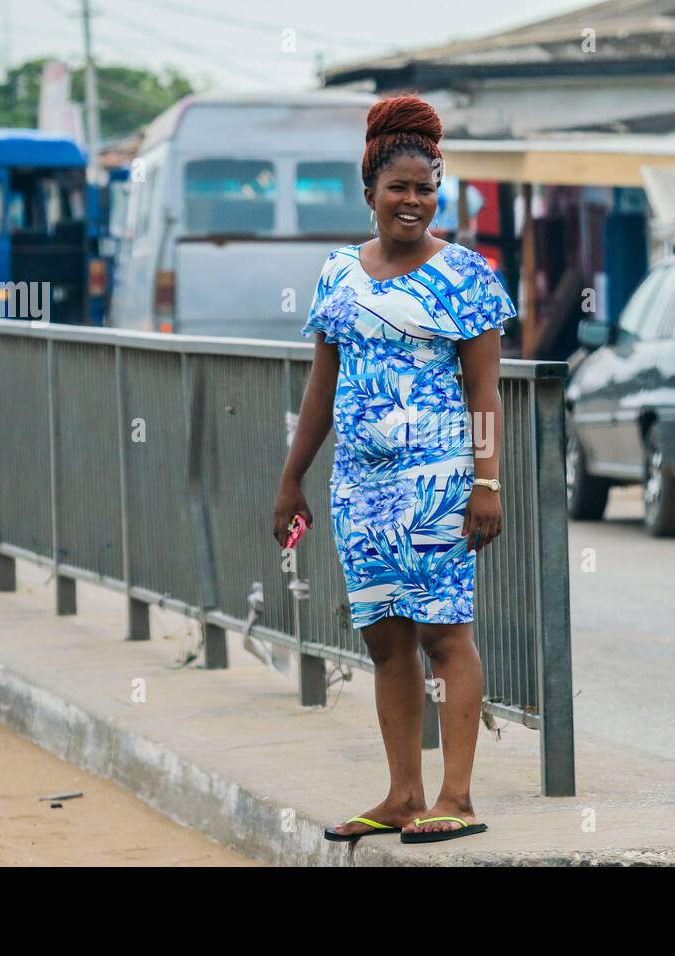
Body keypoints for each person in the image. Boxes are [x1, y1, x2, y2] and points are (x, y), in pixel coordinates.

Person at [273, 95, 515, 843]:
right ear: (369, 191)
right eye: (399, 188)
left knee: (446, 634)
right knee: (384, 637)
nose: (413, 201)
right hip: (360, 488)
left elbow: (484, 390)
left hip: (438, 483)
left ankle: (459, 796)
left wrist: (486, 479)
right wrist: (292, 478)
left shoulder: (465, 275)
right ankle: (404, 795)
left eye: (426, 187)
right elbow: (322, 384)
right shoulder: (339, 275)